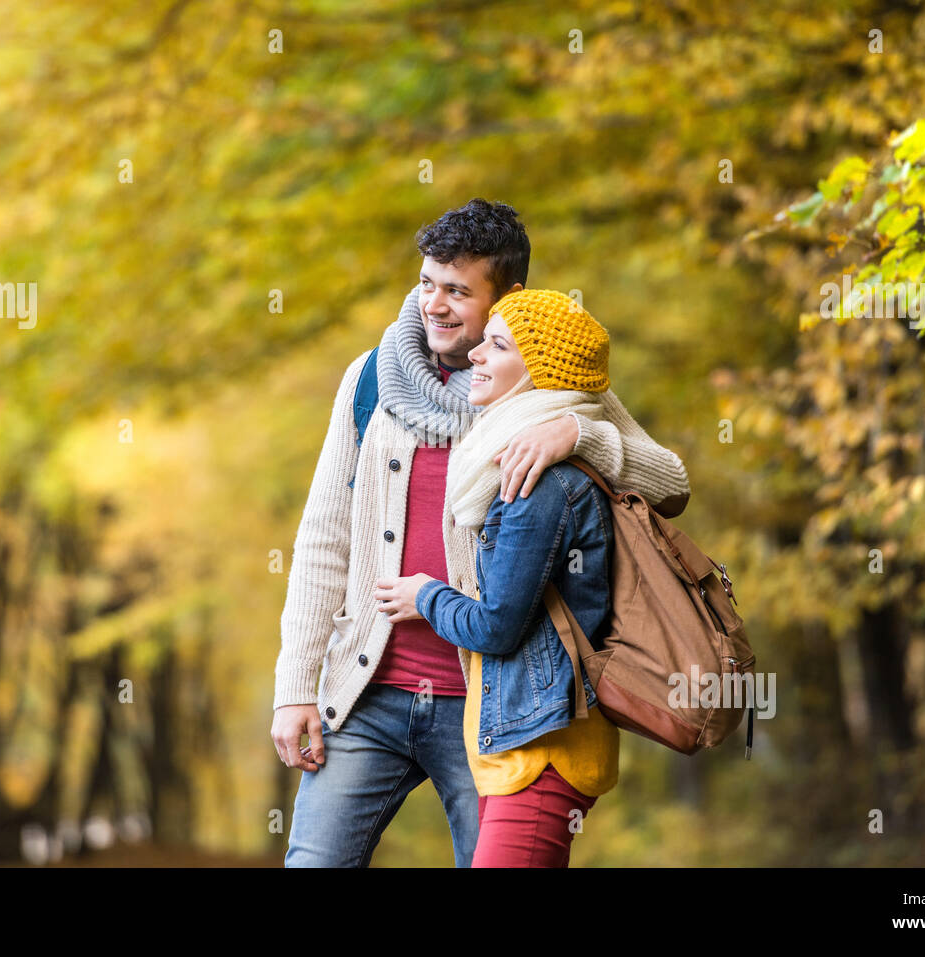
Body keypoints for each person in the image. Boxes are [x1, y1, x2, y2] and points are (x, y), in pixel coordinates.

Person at [273, 199, 689, 867]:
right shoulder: (371, 379)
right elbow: (323, 536)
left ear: (508, 297)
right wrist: (295, 686)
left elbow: (672, 482)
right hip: (366, 690)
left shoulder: (555, 390)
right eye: (427, 282)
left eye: (458, 291)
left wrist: (581, 434)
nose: (434, 305)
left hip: (490, 707)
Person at [373, 289, 622, 867]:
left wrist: (425, 595)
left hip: (544, 749)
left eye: (498, 345)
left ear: (540, 373)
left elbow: (498, 627)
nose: (477, 355)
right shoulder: (522, 456)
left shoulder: (537, 481)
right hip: (528, 743)